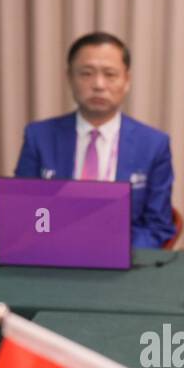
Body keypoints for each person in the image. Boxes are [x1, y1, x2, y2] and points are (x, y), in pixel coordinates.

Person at [13, 32, 175, 249]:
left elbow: (158, 227)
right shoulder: (39, 137)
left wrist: (114, 251)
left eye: (110, 74)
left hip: (124, 263)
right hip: (53, 258)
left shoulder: (154, 144)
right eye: (87, 73)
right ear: (69, 77)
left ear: (127, 80)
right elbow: (25, 212)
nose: (99, 84)